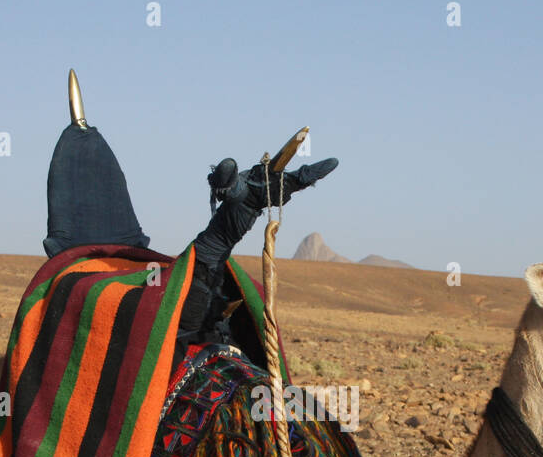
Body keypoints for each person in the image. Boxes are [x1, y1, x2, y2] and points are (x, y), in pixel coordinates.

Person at [43, 72, 337, 362]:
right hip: (157, 319)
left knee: (207, 296)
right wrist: (226, 228)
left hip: (188, 307)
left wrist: (233, 220)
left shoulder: (145, 270)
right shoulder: (76, 289)